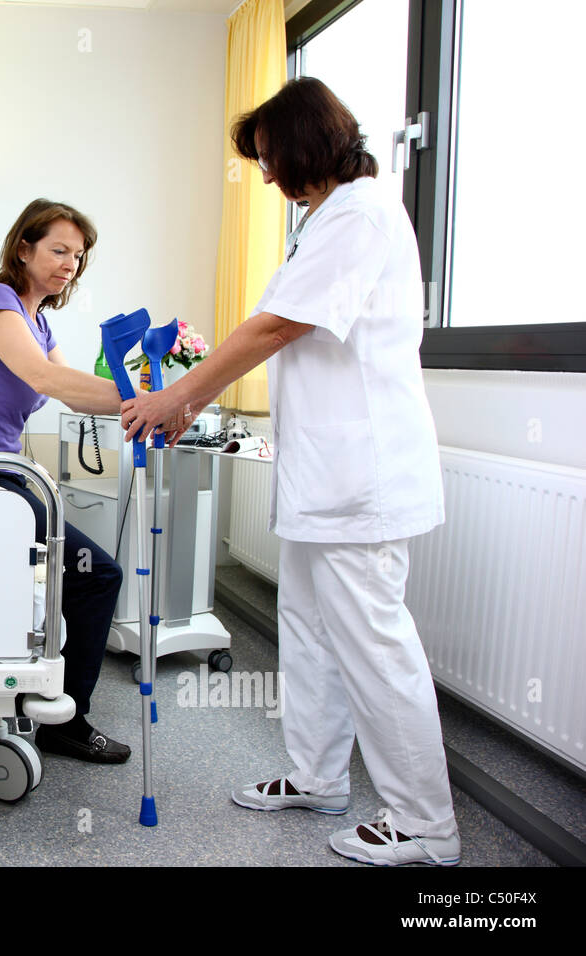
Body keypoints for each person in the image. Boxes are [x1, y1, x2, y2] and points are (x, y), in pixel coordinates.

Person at [121, 78, 458, 865]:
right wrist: (193, 396)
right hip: (322, 477)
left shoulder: (362, 215)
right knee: (306, 633)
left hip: (362, 477)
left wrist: (176, 398)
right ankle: (317, 777)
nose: (265, 177)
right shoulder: (321, 223)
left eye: (269, 157)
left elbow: (276, 325)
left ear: (305, 144)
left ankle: (425, 823)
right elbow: (279, 333)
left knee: (375, 644)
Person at [0, 199, 131, 763]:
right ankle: (68, 720)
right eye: (58, 249)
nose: (70, 263)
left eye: (78, 255)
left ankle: (42, 695)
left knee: (80, 575)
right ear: (24, 248)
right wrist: (144, 399)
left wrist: (150, 402)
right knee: (98, 576)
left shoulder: (39, 320)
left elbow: (68, 386)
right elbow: (41, 376)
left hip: (2, 475)